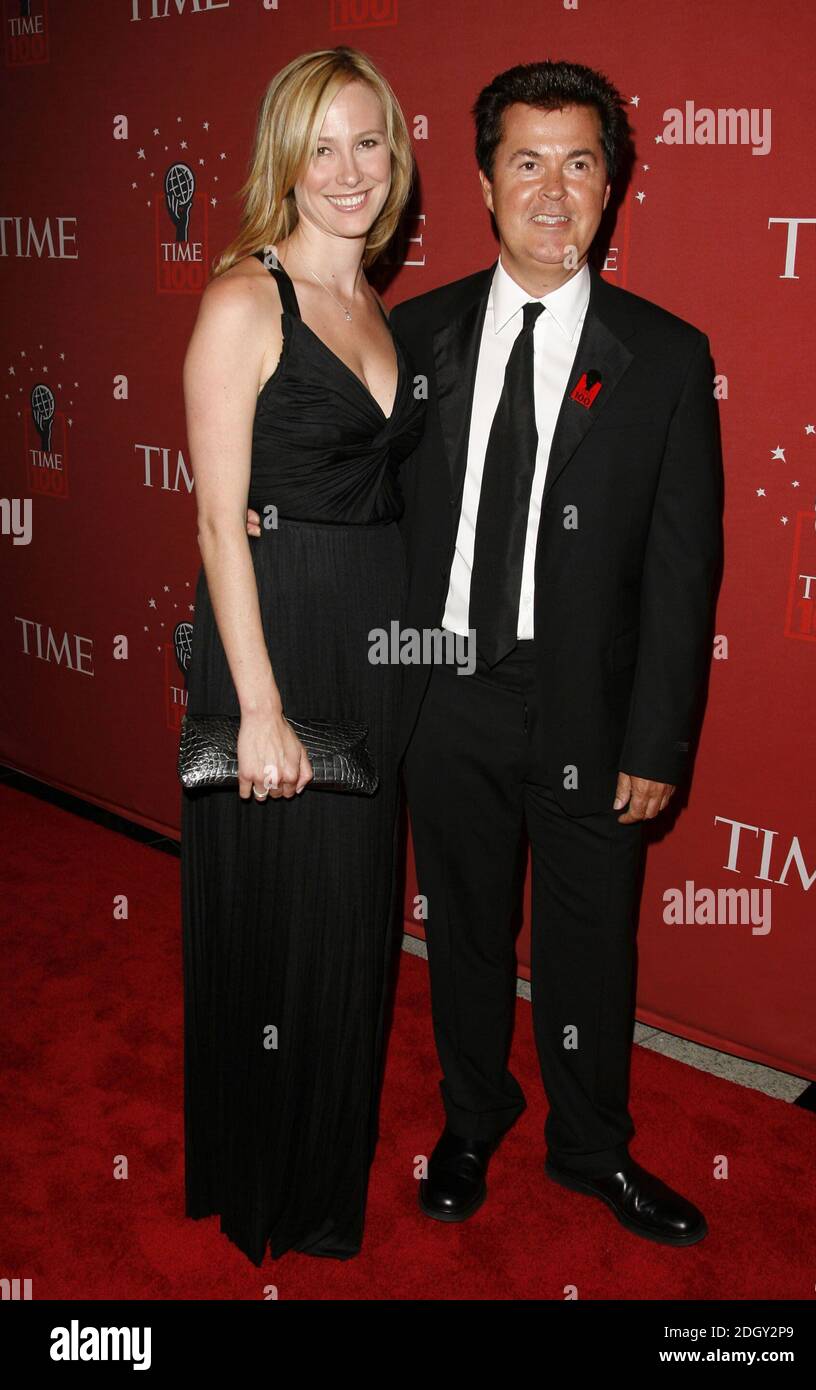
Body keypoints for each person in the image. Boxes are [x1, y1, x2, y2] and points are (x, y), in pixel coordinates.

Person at [248, 59, 724, 1247]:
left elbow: (681, 569)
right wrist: (272, 515)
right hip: (439, 693)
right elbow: (355, 492)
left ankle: (589, 1148)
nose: (552, 191)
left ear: (609, 189)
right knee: (459, 929)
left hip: (588, 711)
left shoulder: (663, 357)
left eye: (578, 164)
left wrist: (656, 735)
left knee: (586, 944)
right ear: (481, 180)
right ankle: (472, 1115)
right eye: (526, 162)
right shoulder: (416, 333)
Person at [180, 45, 424, 1266]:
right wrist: (261, 710)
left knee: (352, 925)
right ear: (284, 156)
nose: (347, 169)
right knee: (281, 918)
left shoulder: (374, 301)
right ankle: (265, 1180)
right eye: (319, 143)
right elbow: (221, 520)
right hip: (274, 646)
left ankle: (323, 1168)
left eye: (367, 140)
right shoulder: (244, 297)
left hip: (372, 643)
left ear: (396, 156)